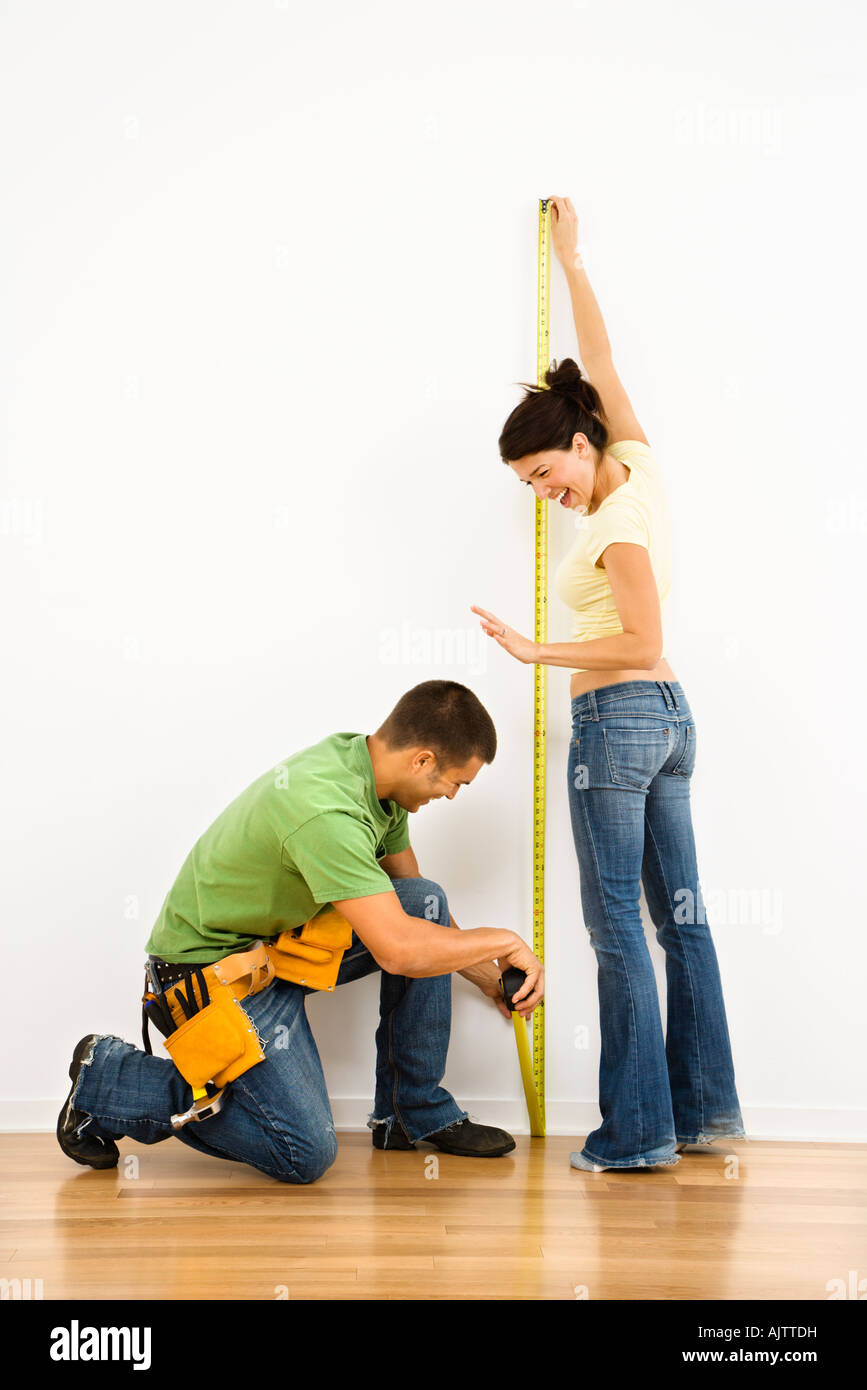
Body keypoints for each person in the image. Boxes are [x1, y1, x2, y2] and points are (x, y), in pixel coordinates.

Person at [471, 195, 744, 1172]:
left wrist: (539, 653)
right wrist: (573, 263)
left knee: (618, 930)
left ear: (577, 448)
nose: (548, 496)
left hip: (625, 718)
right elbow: (608, 366)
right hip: (671, 721)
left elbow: (640, 638)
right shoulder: (634, 462)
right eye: (533, 490)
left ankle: (636, 1135)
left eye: (547, 476)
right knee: (684, 920)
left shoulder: (617, 522)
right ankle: (703, 1116)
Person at [57, 680, 545, 1183]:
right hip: (205, 976)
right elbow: (399, 950)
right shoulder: (326, 810)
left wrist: (487, 977)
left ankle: (408, 1113)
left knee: (424, 899)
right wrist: (506, 942)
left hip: (274, 953)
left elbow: (416, 913)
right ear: (422, 760)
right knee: (303, 1153)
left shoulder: (374, 777)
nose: (451, 794)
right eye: (456, 782)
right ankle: (108, 1078)